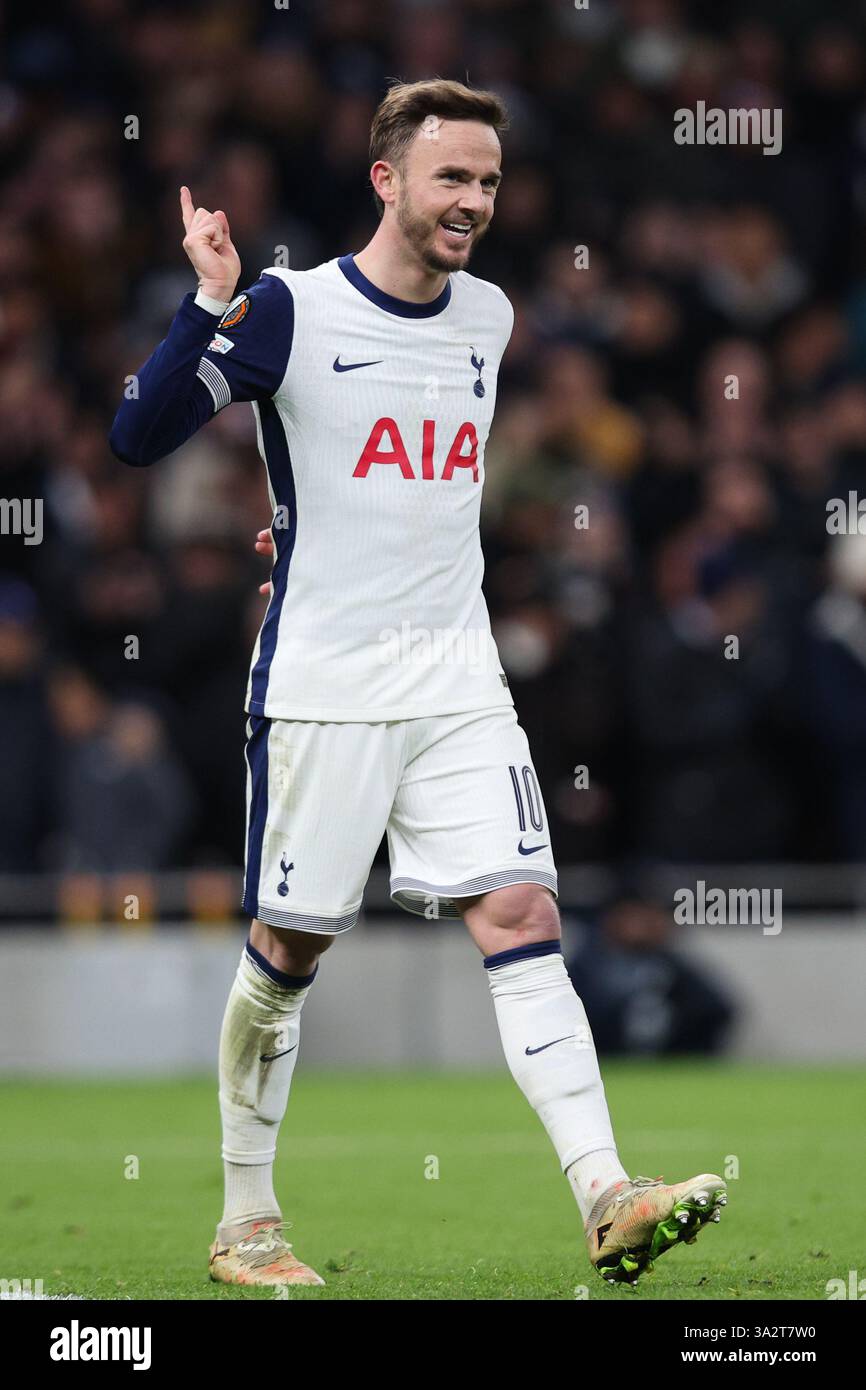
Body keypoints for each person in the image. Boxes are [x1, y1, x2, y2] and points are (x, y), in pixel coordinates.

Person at [109, 79, 725, 1290]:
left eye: (489, 181)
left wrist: (324, 518)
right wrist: (208, 304)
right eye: (451, 177)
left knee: (522, 912)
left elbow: (411, 485)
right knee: (286, 951)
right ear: (387, 179)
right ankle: (246, 1220)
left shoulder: (488, 318)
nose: (475, 201)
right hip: (326, 684)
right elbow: (140, 436)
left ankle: (606, 1191)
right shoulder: (290, 309)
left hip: (456, 675)